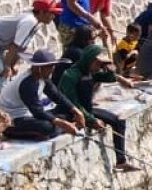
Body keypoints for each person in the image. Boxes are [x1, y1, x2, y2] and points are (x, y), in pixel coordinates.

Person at [59, 42, 140, 171]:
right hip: (72, 112)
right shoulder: (71, 75)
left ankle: (121, 161)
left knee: (119, 121)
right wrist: (92, 120)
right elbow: (73, 103)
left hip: (87, 110)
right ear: (89, 60)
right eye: (98, 63)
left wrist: (110, 68)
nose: (100, 67)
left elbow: (109, 78)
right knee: (87, 116)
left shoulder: (91, 72)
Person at [0, 0, 61, 92]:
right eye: (51, 13)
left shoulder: (36, 24)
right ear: (41, 12)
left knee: (5, 77)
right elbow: (14, 46)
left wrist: (14, 64)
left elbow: (22, 47)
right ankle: (1, 104)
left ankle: (3, 102)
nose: (53, 16)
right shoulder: (30, 21)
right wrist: (7, 66)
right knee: (1, 76)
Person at [0, 47, 82, 142]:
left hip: (29, 115)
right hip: (14, 119)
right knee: (47, 128)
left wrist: (75, 110)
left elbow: (56, 95)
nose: (52, 70)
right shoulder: (28, 83)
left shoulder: (43, 78)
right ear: (39, 68)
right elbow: (37, 111)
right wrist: (62, 123)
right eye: (50, 67)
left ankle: (61, 128)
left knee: (67, 113)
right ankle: (59, 130)